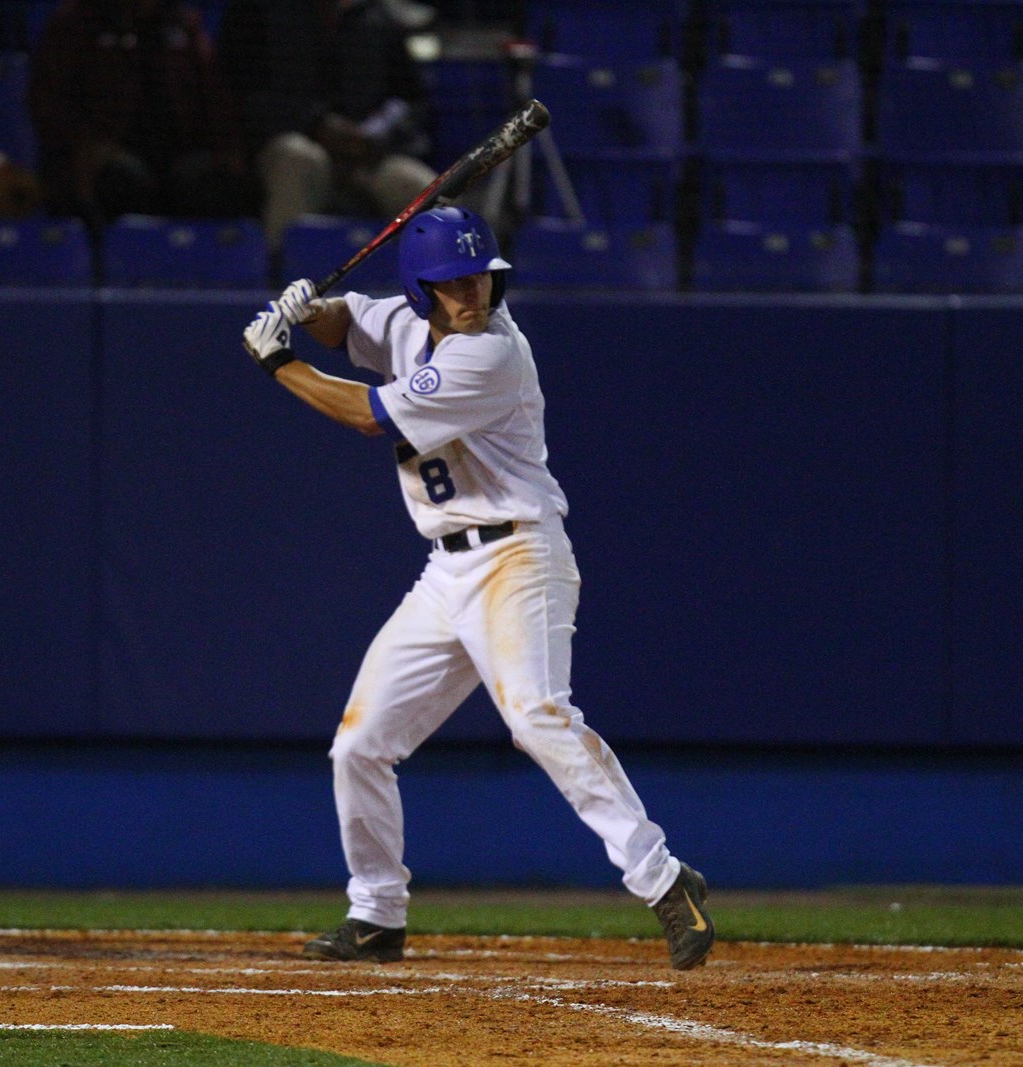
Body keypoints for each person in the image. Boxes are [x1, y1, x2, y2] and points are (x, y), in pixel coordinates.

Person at [238, 205, 714, 970]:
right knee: (359, 745)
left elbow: (366, 414)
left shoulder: (489, 354)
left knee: (536, 717)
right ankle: (376, 915)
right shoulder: (406, 319)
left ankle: (663, 878)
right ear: (422, 289)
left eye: (482, 279)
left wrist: (276, 362)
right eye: (453, 284)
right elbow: (350, 322)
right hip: (446, 570)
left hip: (519, 558)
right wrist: (308, 309)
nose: (473, 296)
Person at [218, 0, 440, 255]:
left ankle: (438, 284)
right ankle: (282, 278)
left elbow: (409, 99)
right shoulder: (256, 11)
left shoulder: (375, 16)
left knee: (423, 189)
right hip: (287, 141)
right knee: (300, 159)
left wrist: (378, 136)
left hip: (365, 154)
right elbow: (239, 93)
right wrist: (315, 123)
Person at [26, 0, 258, 225]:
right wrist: (86, 145)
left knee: (222, 185)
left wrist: (229, 148)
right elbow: (46, 102)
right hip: (104, 156)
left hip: (177, 157)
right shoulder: (74, 21)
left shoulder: (184, 24)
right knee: (120, 183)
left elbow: (215, 98)